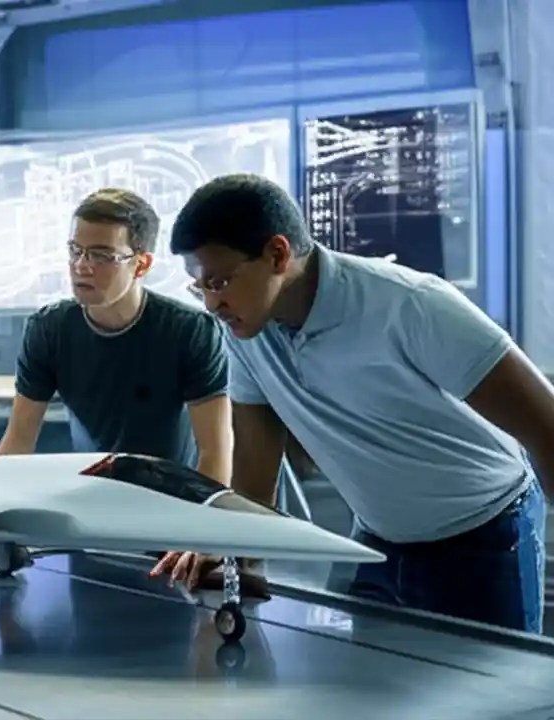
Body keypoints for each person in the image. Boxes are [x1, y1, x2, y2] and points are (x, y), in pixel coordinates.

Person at [155, 172, 550, 634]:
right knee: (372, 692)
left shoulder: (409, 305)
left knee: (497, 700)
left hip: (486, 536)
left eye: (218, 282)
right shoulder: (245, 329)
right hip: (378, 541)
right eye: (199, 287)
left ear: (277, 254)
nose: (210, 304)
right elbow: (255, 461)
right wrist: (238, 562)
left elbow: (546, 425)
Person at [0, 188, 232, 571]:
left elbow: (214, 449)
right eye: (75, 251)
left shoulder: (190, 331)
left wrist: (202, 535)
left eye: (101, 256)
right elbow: (17, 440)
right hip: (91, 518)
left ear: (142, 264)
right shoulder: (49, 330)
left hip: (171, 520)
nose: (82, 266)